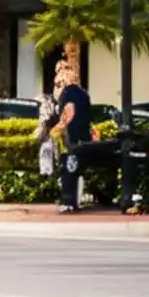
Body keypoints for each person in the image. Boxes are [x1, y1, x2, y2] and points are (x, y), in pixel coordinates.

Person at [52, 66, 92, 213]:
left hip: (71, 138)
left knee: (68, 169)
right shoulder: (84, 94)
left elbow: (69, 113)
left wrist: (56, 129)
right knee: (77, 170)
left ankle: (67, 201)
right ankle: (75, 201)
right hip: (84, 137)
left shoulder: (67, 93)